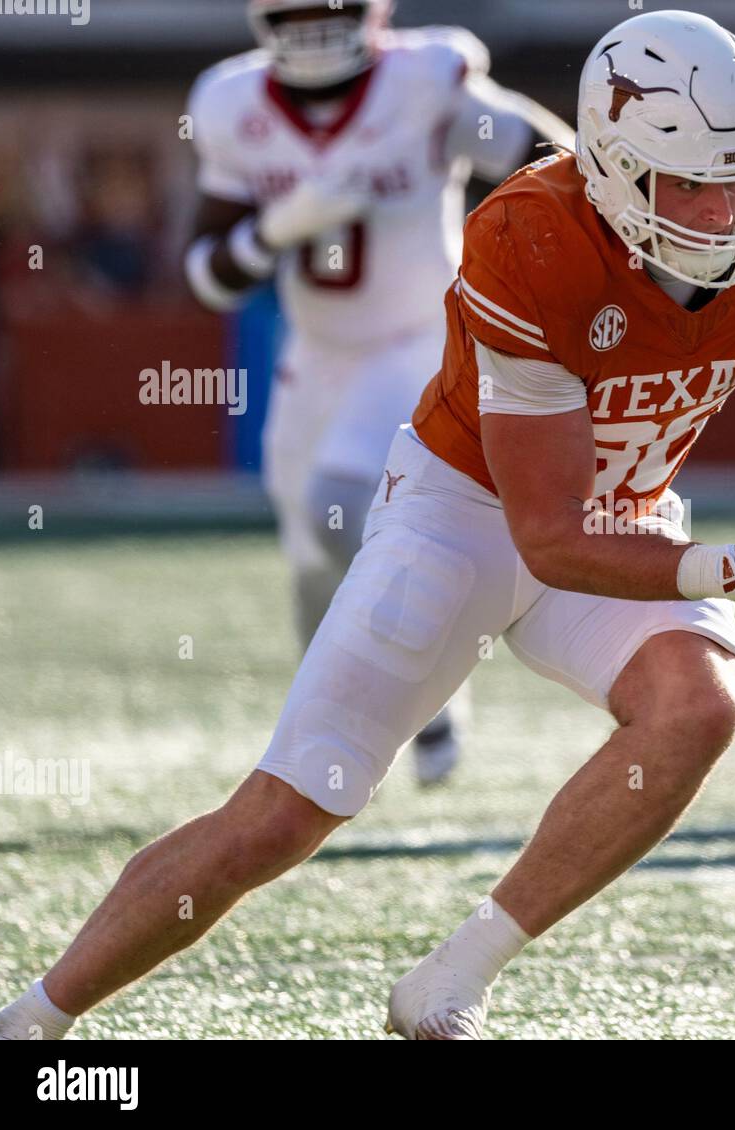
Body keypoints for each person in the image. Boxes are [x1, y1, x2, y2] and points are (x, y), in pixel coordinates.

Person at [0, 9, 735, 1042]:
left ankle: (450, 979)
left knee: (695, 709)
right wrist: (732, 564)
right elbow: (548, 537)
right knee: (286, 813)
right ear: (609, 167)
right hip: (466, 514)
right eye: (688, 181)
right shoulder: (528, 240)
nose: (729, 206)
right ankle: (31, 1018)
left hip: (627, 505)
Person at [183, 0, 573, 784]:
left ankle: (432, 681)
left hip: (418, 337)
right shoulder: (230, 101)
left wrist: (515, 241)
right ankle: (347, 741)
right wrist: (277, 228)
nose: (318, 25)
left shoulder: (426, 78)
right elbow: (206, 279)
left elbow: (558, 165)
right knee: (311, 569)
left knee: (345, 501)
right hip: (314, 353)